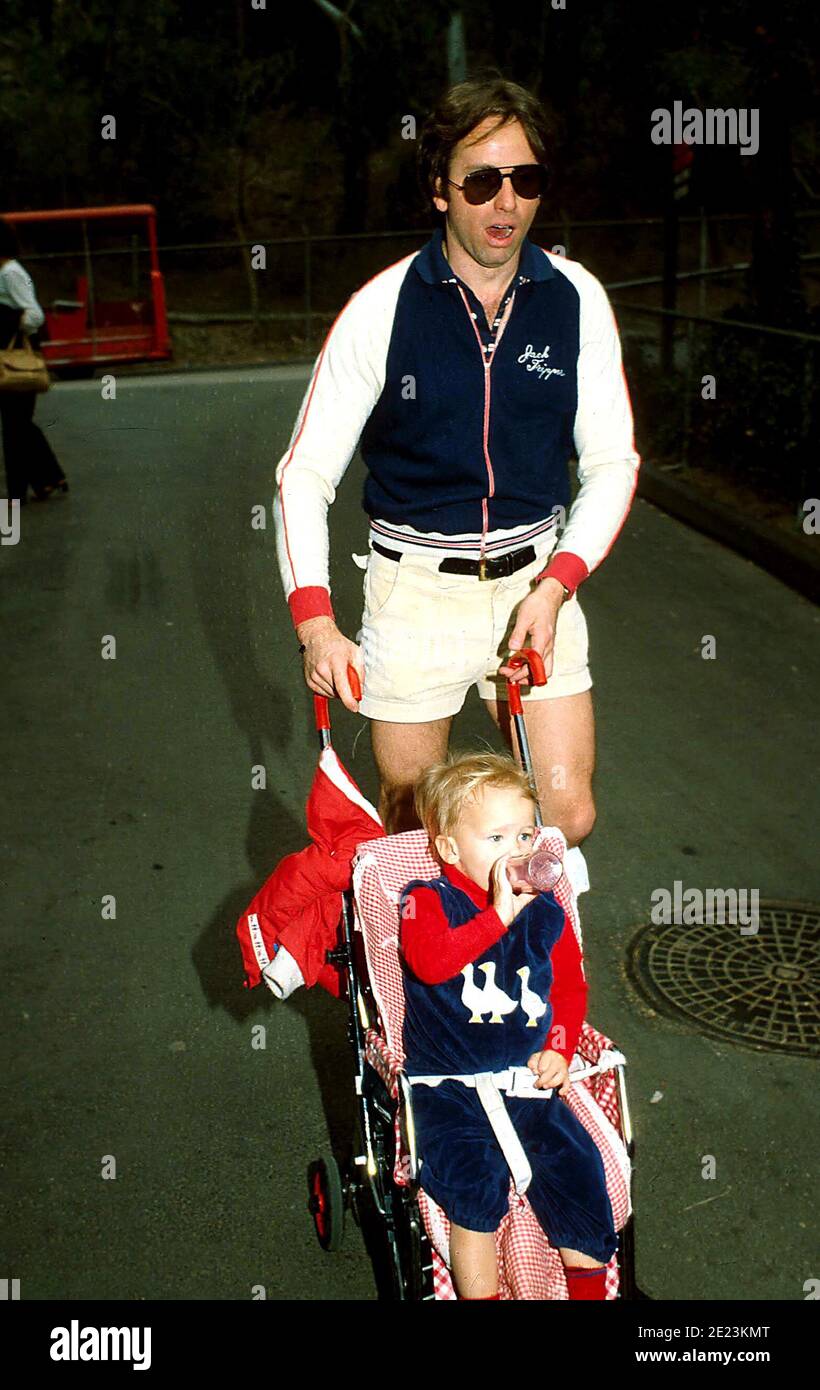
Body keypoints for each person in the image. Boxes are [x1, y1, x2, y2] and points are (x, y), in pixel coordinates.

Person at [274, 74, 640, 848]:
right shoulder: (383, 308)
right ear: (440, 189)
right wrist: (316, 624)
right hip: (414, 595)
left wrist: (556, 587)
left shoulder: (575, 299)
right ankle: (436, 963)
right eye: (481, 181)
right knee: (418, 837)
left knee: (565, 816)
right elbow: (304, 473)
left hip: (534, 584)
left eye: (525, 180)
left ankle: (518, 960)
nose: (505, 204)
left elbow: (612, 461)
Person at [397, 750, 617, 1300]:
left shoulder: (545, 913)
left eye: (523, 837)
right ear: (449, 848)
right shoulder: (426, 902)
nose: (515, 853)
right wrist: (495, 917)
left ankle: (589, 1289)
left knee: (577, 1166)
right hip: (447, 1085)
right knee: (473, 1179)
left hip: (523, 1079)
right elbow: (431, 962)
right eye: (495, 840)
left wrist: (560, 1048)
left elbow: (568, 988)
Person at [0, 218, 68, 504]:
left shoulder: (11, 273)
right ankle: (46, 479)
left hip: (17, 358)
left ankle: (25, 489)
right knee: (17, 424)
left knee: (16, 425)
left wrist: (8, 321)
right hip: (9, 357)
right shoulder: (6, 271)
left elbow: (35, 315)